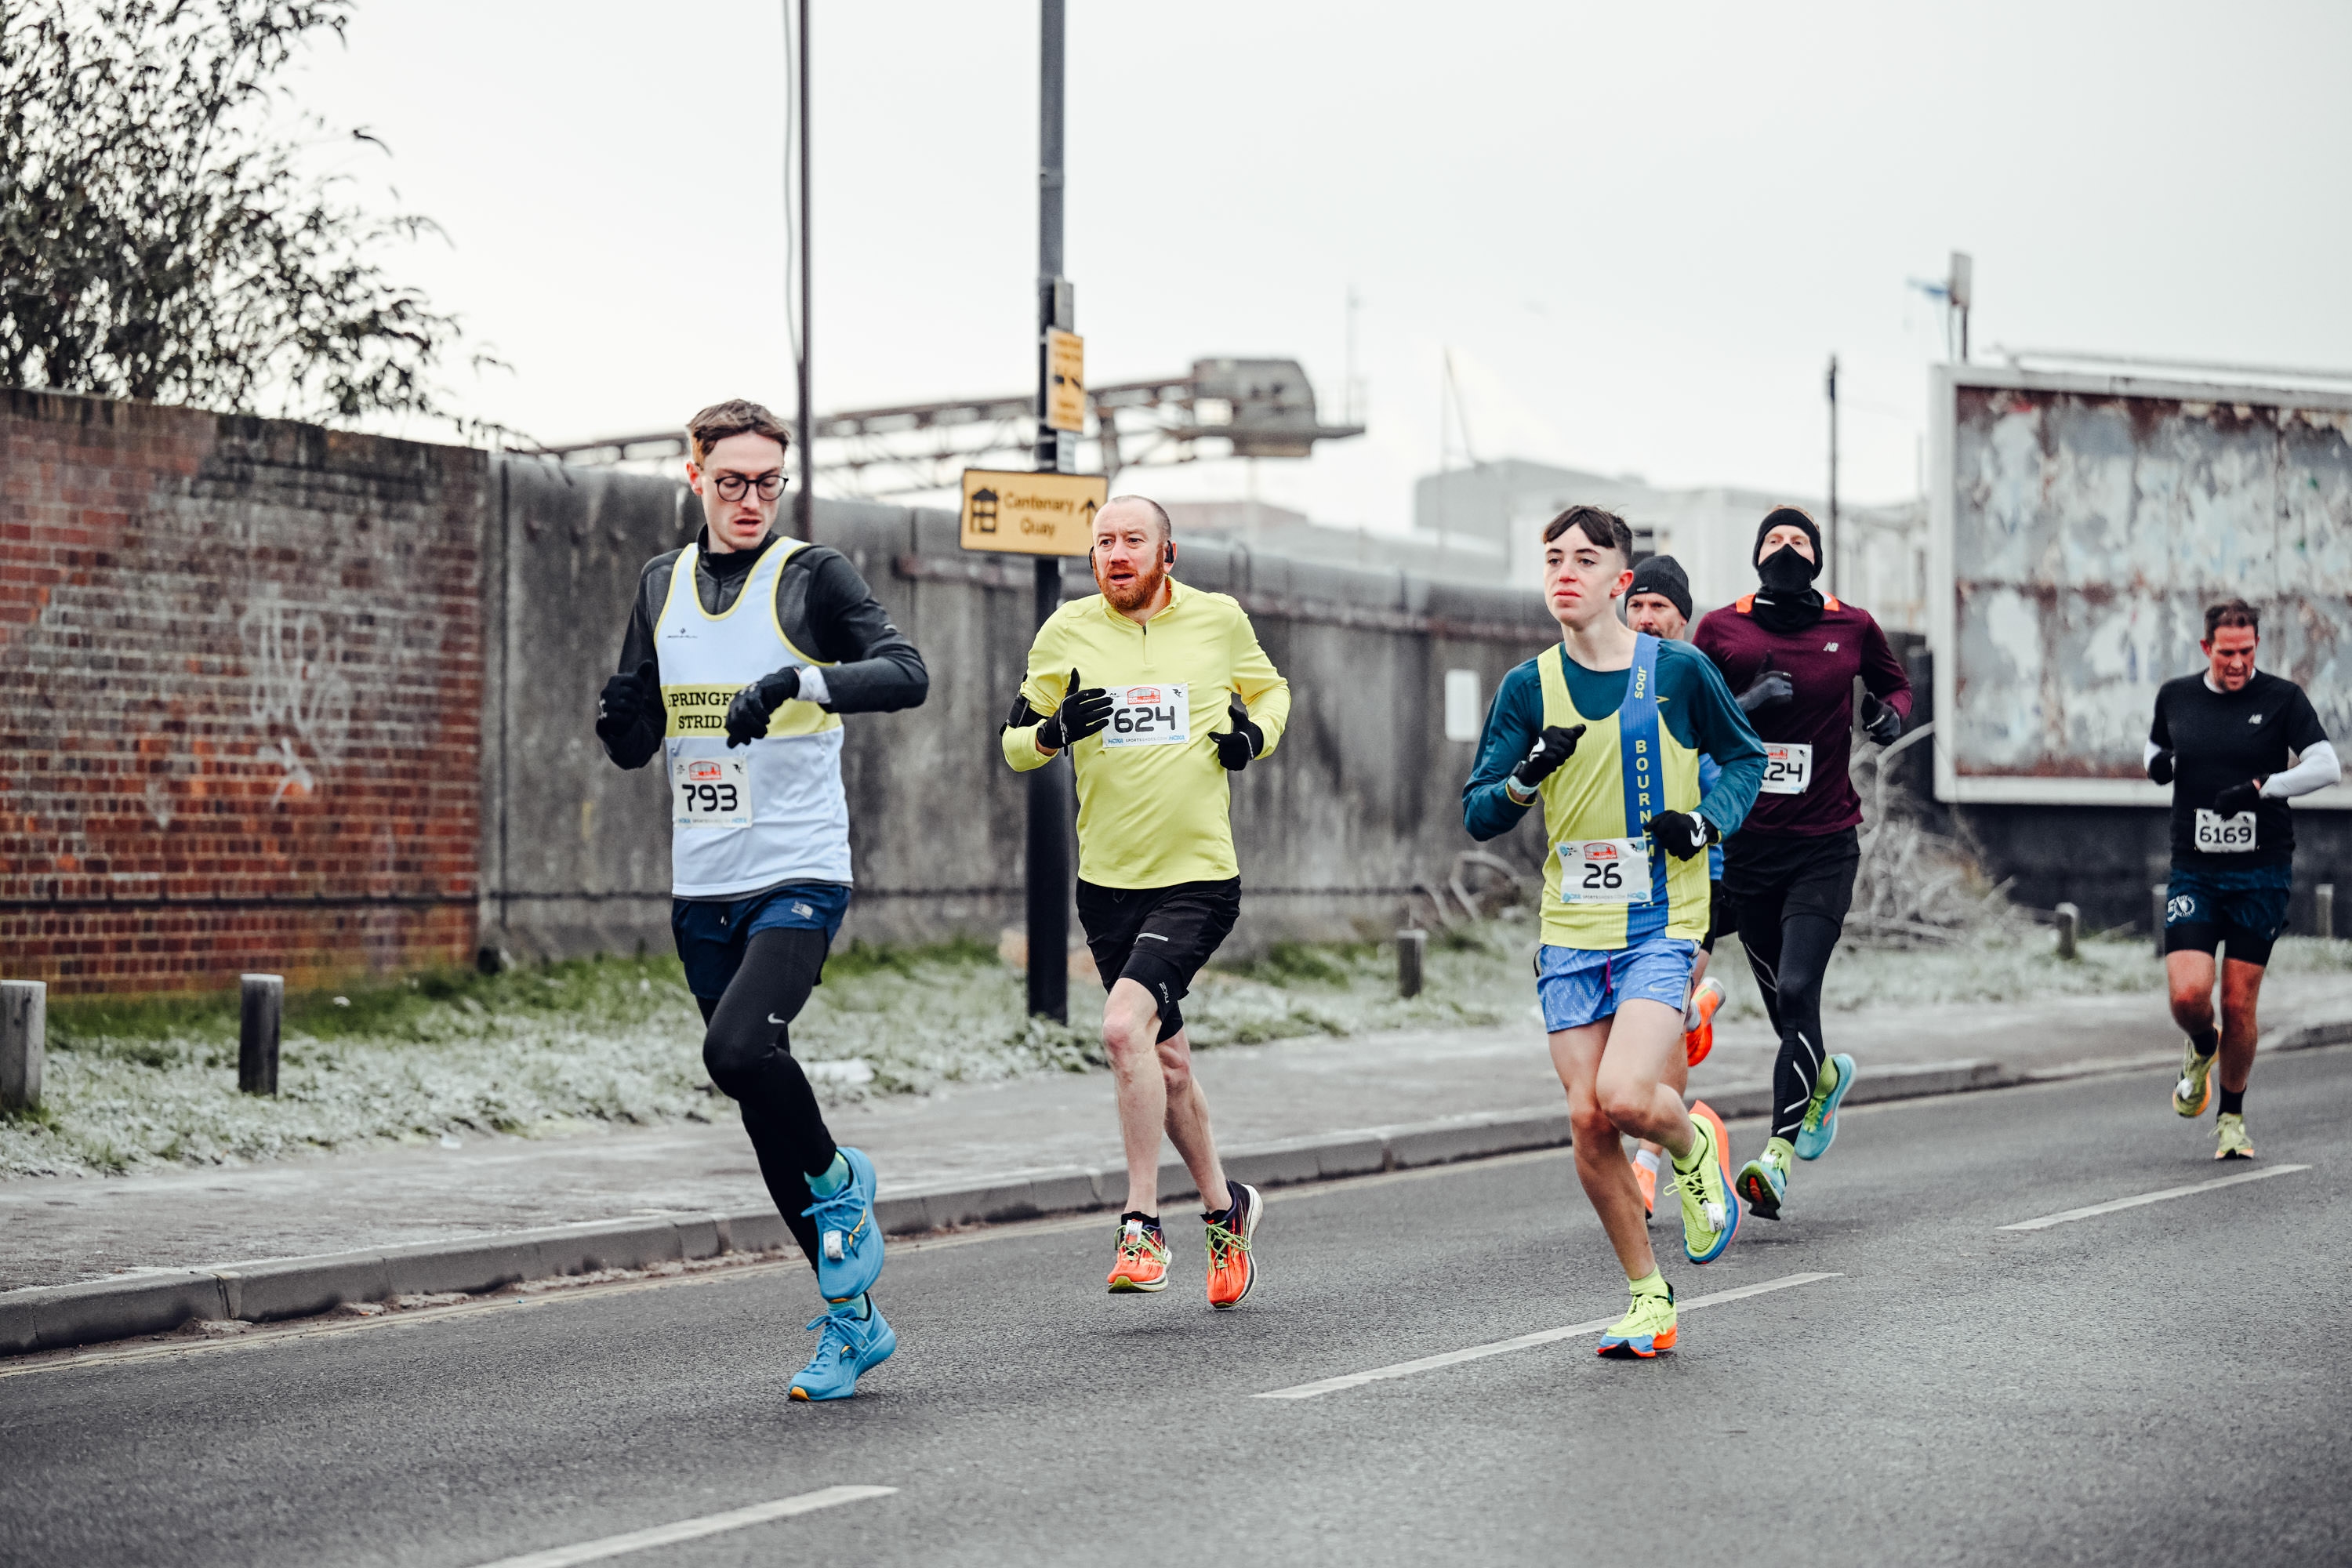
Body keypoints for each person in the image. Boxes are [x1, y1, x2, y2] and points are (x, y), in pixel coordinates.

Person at [595, 399, 929, 1400]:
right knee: (760, 1100)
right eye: (731, 480)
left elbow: (908, 674)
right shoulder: (660, 582)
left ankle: (839, 1186)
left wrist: (802, 682)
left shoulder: (813, 575)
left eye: (767, 482)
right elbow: (641, 730)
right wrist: (621, 724)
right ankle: (851, 1322)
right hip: (701, 882)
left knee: (737, 1049)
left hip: (797, 869)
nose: (751, 500)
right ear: (692, 475)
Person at [1465, 506, 1765, 1358]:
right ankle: (1648, 1295)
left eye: (1585, 558)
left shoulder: (1678, 671)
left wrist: (1706, 824)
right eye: (1552, 556)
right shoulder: (1529, 687)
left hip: (1661, 922)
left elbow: (1746, 759)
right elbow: (1480, 810)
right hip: (1570, 930)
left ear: (1620, 582)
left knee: (1628, 1097)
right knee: (1589, 1122)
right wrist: (1525, 777)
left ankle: (1689, 1137)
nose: (1565, 571)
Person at [1000, 496, 1292, 1307]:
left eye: (1133, 540)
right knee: (1162, 1058)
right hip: (1109, 884)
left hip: (1197, 875)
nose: (1116, 553)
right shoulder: (1065, 633)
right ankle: (1224, 1208)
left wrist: (1250, 738)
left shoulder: (1217, 619)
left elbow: (1273, 695)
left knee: (1124, 1026)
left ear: (1169, 552)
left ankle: (1140, 1224)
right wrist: (1055, 731)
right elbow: (1014, 741)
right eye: (1103, 542)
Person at [1693, 506, 1911, 1222]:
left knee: (1796, 986)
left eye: (1799, 542)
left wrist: (1889, 716)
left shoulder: (1852, 626)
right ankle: (1824, 1078)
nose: (1786, 550)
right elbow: (1691, 720)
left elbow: (1896, 685)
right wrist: (1745, 704)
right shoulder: (1721, 630)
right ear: (1757, 556)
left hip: (1823, 842)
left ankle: (1776, 1162)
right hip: (1749, 847)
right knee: (1793, 1011)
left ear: (1816, 559)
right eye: (1774, 540)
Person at [2149, 600, 2339, 1159]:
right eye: (2228, 652)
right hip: (2195, 868)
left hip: (2261, 870)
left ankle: (2231, 1119)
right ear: (2207, 648)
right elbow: (2156, 747)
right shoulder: (2177, 695)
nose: (2238, 663)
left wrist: (2264, 788)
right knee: (2188, 997)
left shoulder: (2281, 699)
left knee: (2237, 1003)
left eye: (2248, 652)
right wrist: (2155, 765)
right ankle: (2201, 1048)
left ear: (2257, 646)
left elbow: (2326, 765)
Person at [1621, 554, 1730, 1218]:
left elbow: (1731, 770)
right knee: (1636, 1028)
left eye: (1660, 607)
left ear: (1682, 620)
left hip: (1694, 880)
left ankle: (1648, 1164)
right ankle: (1695, 1011)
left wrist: (1697, 823)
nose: (1646, 617)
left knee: (1654, 1034)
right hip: (1620, 885)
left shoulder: (1696, 682)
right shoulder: (1608, 681)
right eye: (1637, 605)